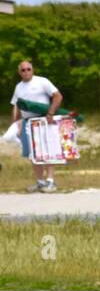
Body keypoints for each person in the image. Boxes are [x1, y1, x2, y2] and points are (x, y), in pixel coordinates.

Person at [10, 61, 63, 193]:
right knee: (33, 153)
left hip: (43, 120)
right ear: (19, 72)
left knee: (47, 150)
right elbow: (16, 106)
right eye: (23, 70)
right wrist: (16, 124)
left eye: (29, 69)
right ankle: (40, 181)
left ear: (32, 70)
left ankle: (50, 181)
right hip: (28, 121)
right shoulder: (19, 87)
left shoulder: (42, 81)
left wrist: (51, 113)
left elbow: (57, 96)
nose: (26, 72)